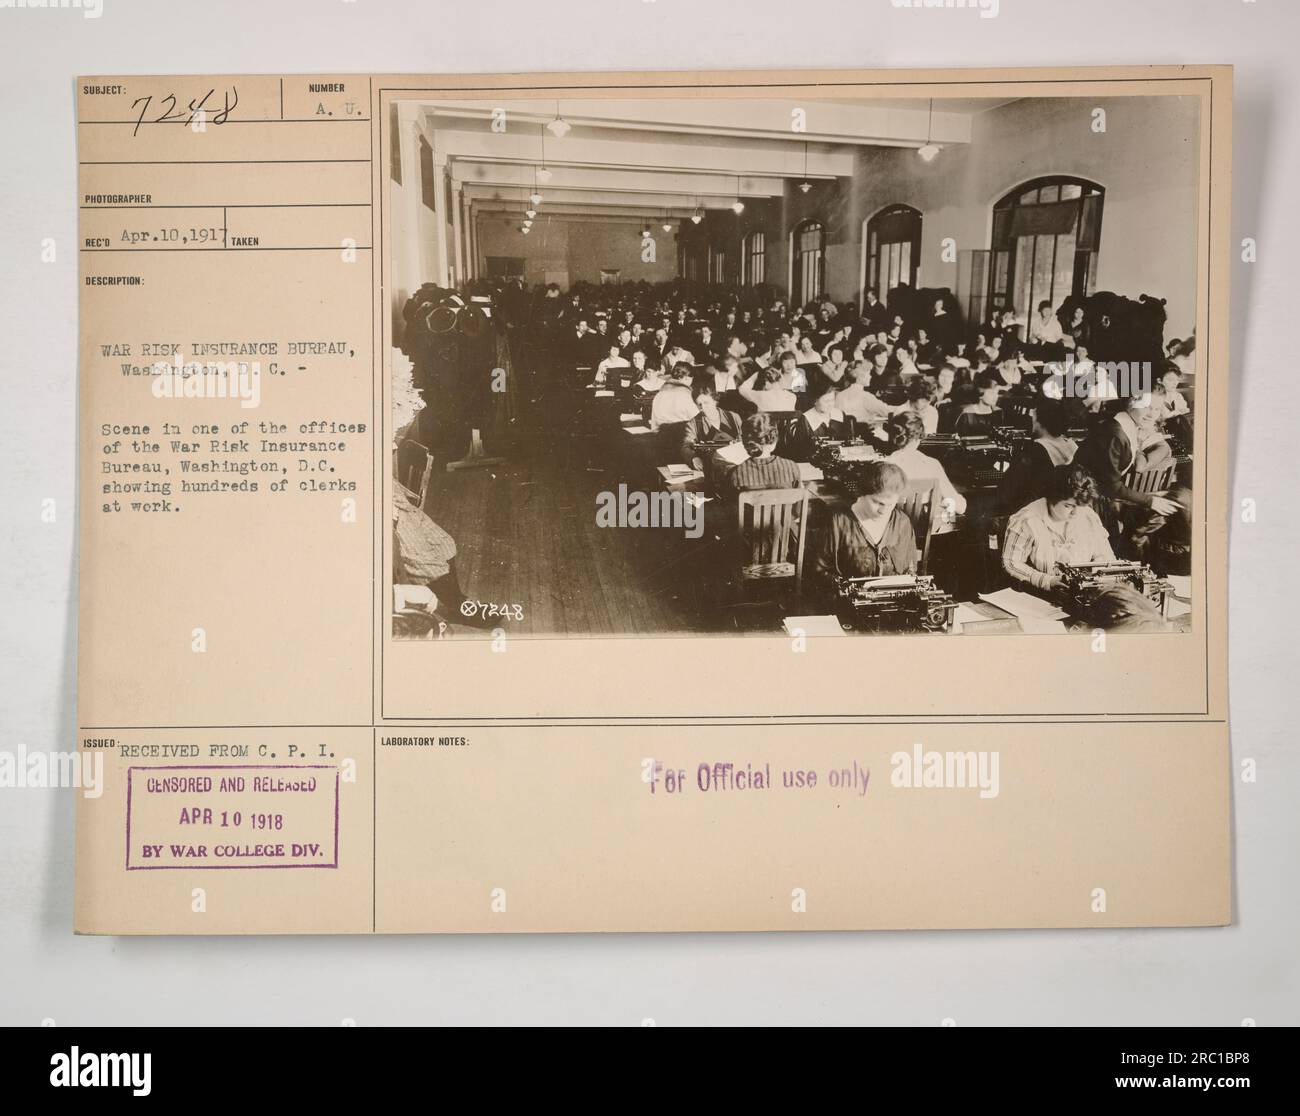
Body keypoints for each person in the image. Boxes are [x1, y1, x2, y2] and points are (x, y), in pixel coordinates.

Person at [1001, 464, 1116, 594]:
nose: (1076, 513)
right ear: (1052, 498)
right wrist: (1047, 580)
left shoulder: (1088, 516)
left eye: (1080, 506)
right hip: (1041, 593)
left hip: (1085, 591)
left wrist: (1097, 576)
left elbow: (1104, 555)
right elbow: (1011, 562)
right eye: (1068, 506)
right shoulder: (1027, 519)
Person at [812, 460, 918, 580]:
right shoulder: (838, 521)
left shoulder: (902, 522)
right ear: (861, 493)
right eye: (878, 502)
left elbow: (910, 569)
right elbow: (820, 570)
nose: (883, 511)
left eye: (890, 504)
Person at [998, 398, 1079, 512]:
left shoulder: (1036, 449)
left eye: (1034, 418)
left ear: (1041, 422)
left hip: (1039, 511)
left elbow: (1007, 490)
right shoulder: (1072, 444)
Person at [884, 412, 965, 520]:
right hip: (922, 529)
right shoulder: (932, 464)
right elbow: (959, 507)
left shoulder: (885, 465)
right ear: (920, 437)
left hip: (892, 530)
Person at [725, 413, 803, 492]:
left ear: (746, 442)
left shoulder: (738, 473)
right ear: (774, 440)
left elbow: (731, 503)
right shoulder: (792, 467)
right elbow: (800, 499)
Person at [681, 379, 744, 467]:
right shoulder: (693, 424)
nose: (703, 408)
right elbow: (686, 446)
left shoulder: (733, 417)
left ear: (715, 400)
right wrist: (693, 458)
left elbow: (745, 440)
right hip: (711, 466)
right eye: (699, 404)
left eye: (706, 403)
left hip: (736, 464)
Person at [649, 362, 700, 431]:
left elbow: (654, 423)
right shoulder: (684, 395)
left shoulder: (659, 394)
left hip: (660, 436)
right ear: (685, 378)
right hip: (680, 436)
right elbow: (695, 416)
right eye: (691, 378)